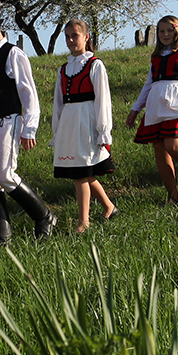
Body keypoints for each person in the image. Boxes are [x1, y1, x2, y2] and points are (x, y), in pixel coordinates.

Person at [0, 7, 56, 242]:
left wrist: (29, 127)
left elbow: (28, 93)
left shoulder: (13, 54)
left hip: (8, 120)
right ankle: (2, 235)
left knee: (5, 174)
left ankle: (43, 215)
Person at [126, 15, 178, 204]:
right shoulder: (156, 57)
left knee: (174, 145)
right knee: (160, 151)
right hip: (156, 104)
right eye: (161, 31)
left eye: (169, 30)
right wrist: (135, 109)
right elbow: (148, 84)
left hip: (177, 102)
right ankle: (173, 195)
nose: (165, 34)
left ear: (177, 30)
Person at [51, 20, 118, 232]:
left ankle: (84, 221)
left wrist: (103, 131)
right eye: (67, 36)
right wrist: (57, 130)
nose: (71, 40)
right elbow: (58, 103)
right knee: (83, 172)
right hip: (69, 125)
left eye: (75, 36)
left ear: (86, 37)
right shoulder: (64, 69)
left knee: (80, 174)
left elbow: (103, 100)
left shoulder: (95, 65)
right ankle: (109, 206)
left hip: (87, 122)